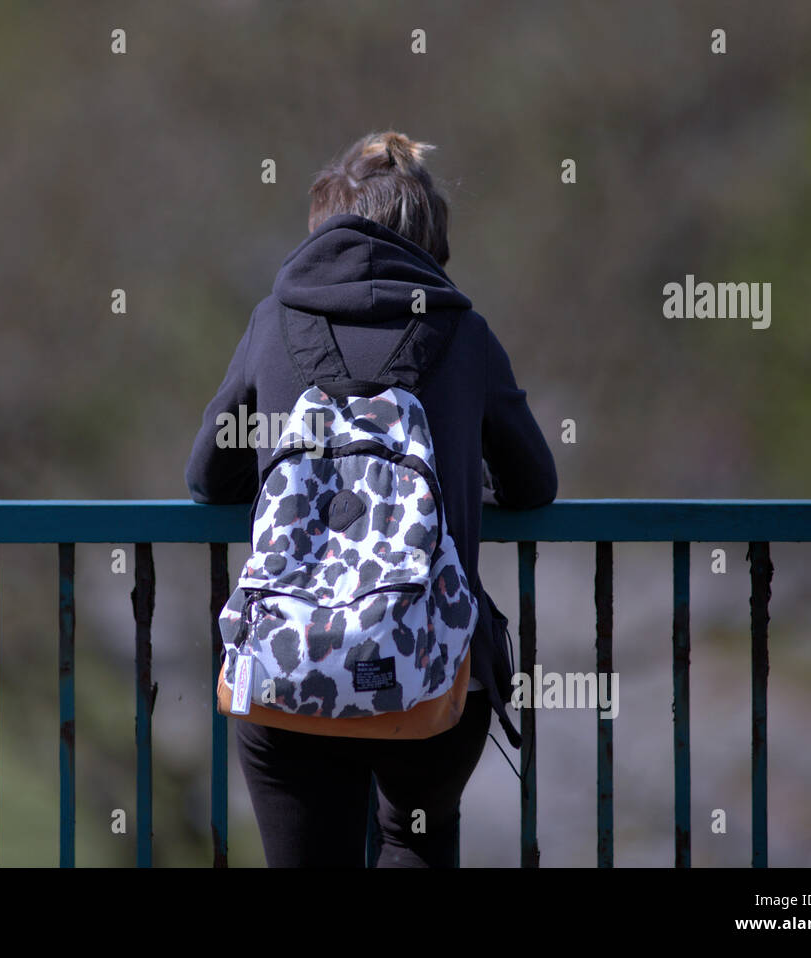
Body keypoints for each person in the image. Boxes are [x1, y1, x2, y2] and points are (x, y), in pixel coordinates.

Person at [185, 131, 557, 867]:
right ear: (430, 241)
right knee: (412, 839)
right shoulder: (462, 331)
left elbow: (206, 477)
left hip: (291, 662)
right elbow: (536, 483)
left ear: (322, 227)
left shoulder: (272, 323)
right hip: (431, 664)